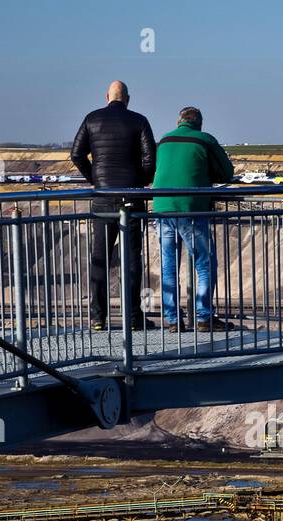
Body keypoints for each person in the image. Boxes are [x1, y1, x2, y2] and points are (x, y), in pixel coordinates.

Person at [70, 80, 156, 332]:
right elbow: (150, 158)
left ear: (107, 96)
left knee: (100, 258)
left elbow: (76, 154)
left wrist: (95, 179)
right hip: (131, 198)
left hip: (103, 198)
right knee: (131, 258)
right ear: (127, 99)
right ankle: (132, 316)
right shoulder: (139, 121)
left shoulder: (91, 119)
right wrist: (139, 182)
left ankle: (98, 318)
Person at [152, 106, 234, 331]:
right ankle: (204, 317)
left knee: (169, 266)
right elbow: (228, 173)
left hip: (161, 207)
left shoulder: (165, 139)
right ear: (199, 123)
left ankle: (172, 320)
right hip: (189, 209)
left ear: (179, 122)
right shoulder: (204, 139)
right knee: (204, 263)